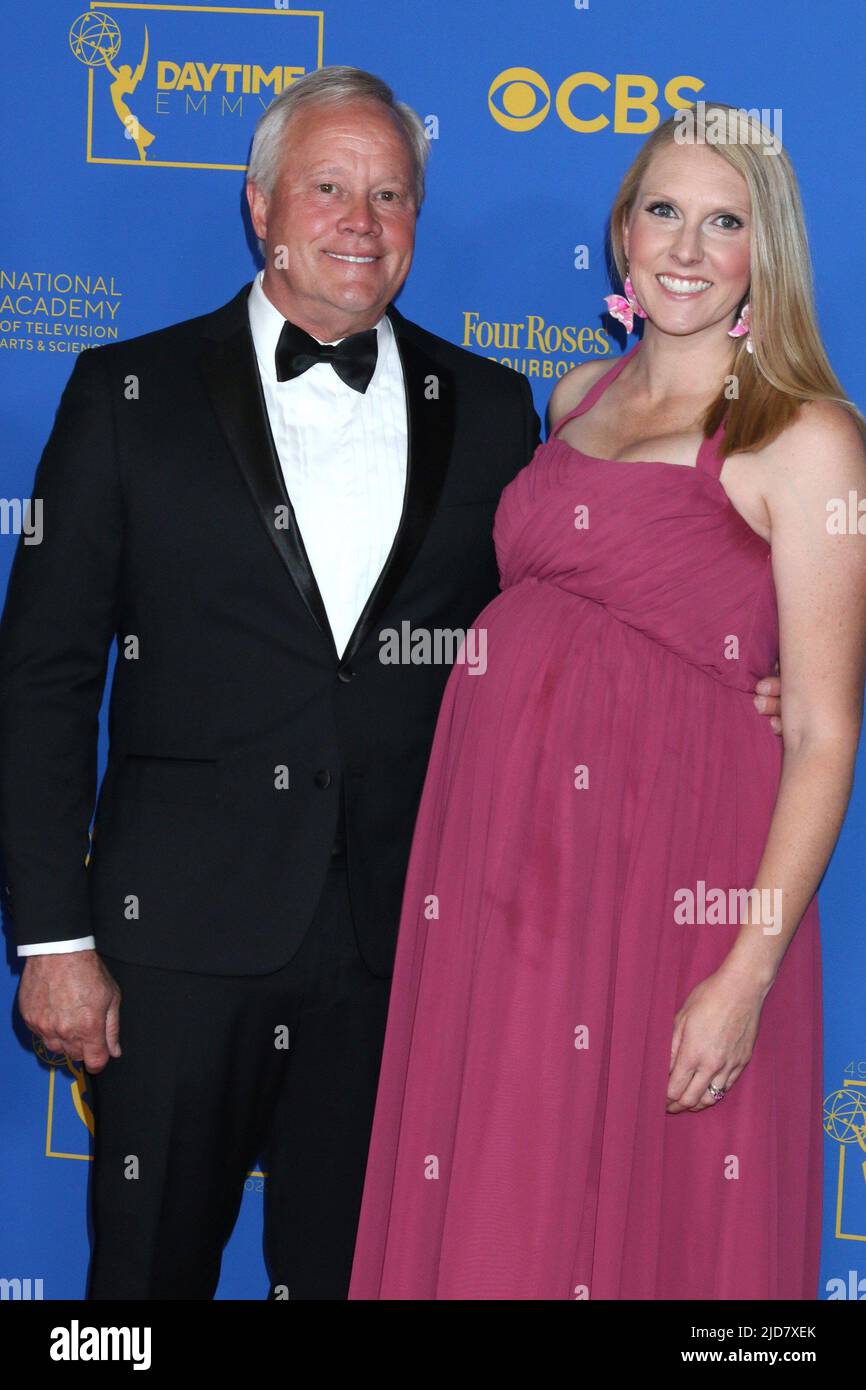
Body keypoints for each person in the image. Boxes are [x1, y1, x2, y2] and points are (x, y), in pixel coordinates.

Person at [0, 70, 780, 1301]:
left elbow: (582, 613)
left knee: (361, 1282)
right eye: (327, 188)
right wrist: (54, 936)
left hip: (412, 954)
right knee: (138, 1295)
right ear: (260, 207)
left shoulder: (492, 410)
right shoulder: (123, 395)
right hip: (174, 951)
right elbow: (41, 681)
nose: (359, 220)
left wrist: (754, 679)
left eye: (389, 194)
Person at [348, 103, 866, 1300]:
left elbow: (826, 731)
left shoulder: (809, 440)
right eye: (662, 212)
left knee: (651, 1208)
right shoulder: (574, 393)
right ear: (621, 235)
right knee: (500, 1190)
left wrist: (744, 971)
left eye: (722, 222)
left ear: (763, 253)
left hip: (669, 880)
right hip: (505, 871)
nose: (685, 249)